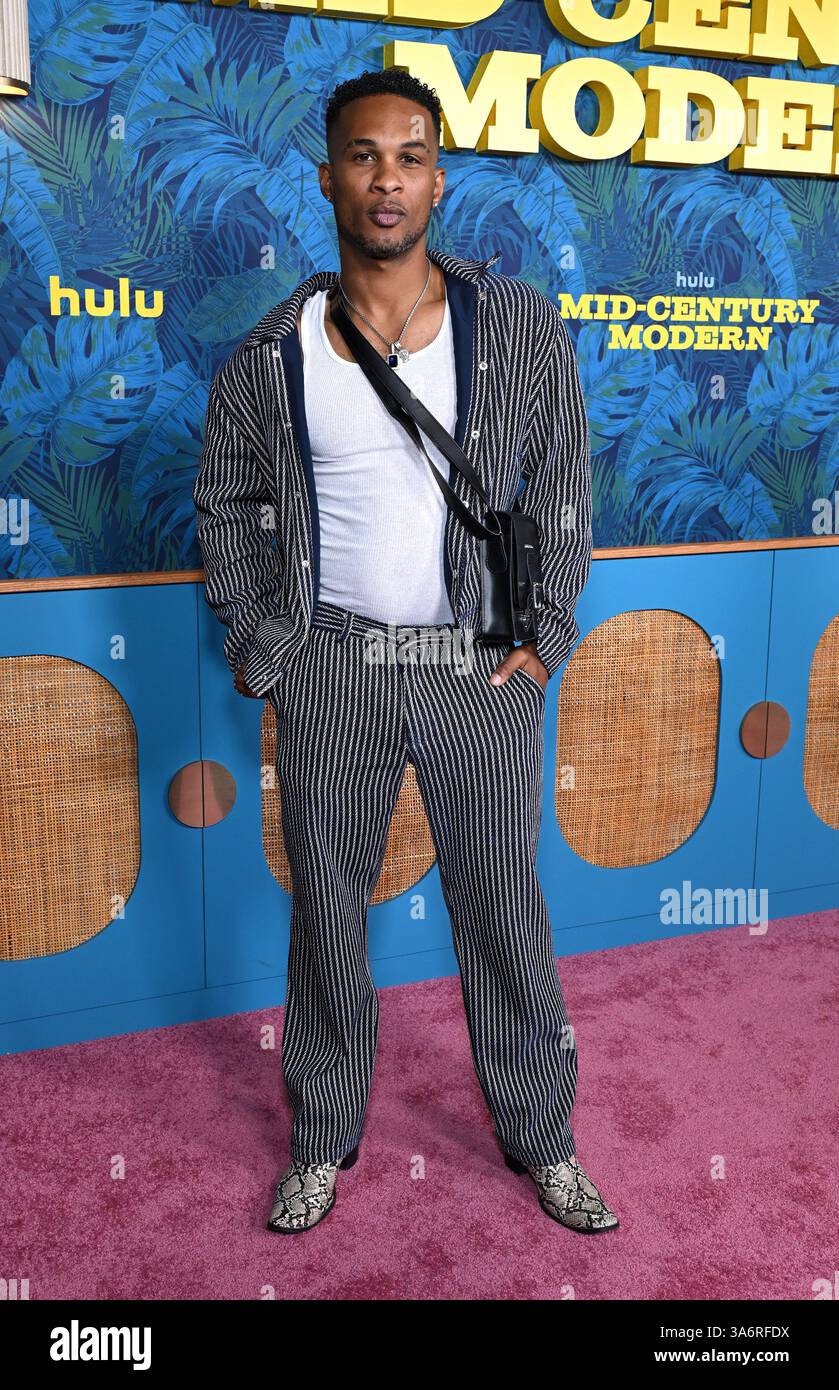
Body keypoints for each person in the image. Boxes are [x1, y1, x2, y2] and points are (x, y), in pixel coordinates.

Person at [192, 67, 618, 1237]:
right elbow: (224, 503)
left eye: (411, 155)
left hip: (477, 670)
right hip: (332, 668)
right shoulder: (270, 356)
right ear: (326, 176)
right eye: (365, 156)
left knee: (501, 909)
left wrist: (544, 638)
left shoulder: (518, 325)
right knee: (326, 911)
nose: (388, 179)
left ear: (440, 176)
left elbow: (567, 486)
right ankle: (322, 1141)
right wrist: (261, 641)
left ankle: (542, 1139)